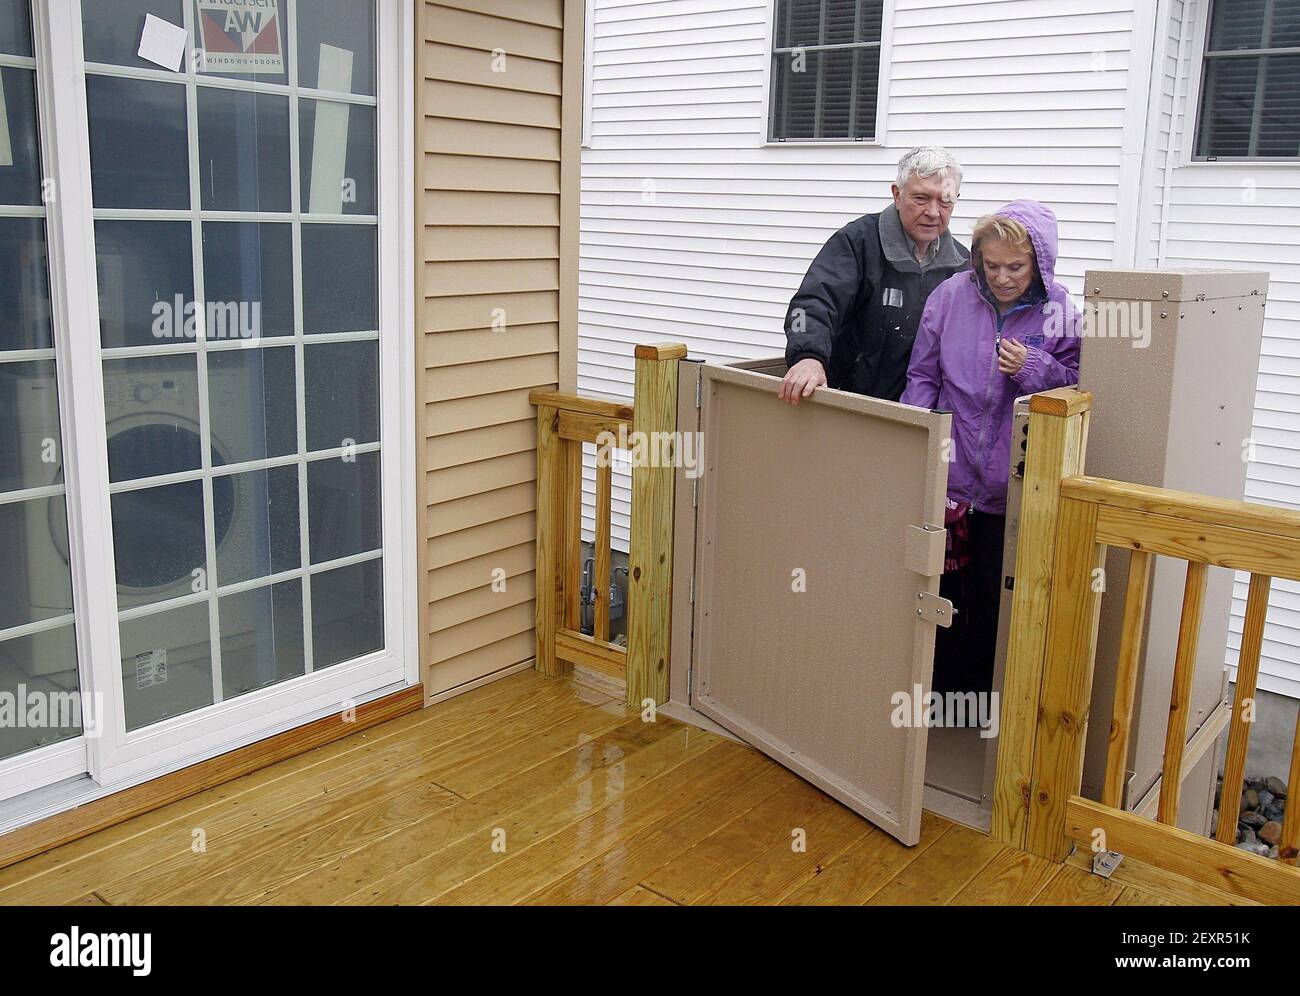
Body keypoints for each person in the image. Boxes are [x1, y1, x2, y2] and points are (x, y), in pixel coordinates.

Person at [901, 200, 1081, 696]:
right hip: (949, 481)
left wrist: (1032, 367)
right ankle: (933, 702)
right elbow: (922, 376)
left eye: (1016, 267)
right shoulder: (949, 297)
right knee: (938, 596)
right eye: (992, 264)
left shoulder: (1061, 311)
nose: (1002, 277)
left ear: (1039, 263)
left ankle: (979, 707)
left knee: (993, 600)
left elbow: (1076, 386)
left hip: (1012, 490)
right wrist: (920, 444)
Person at [778, 146, 971, 405]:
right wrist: (808, 357)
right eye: (921, 198)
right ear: (897, 194)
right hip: (847, 405)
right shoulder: (856, 242)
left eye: (945, 201)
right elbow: (808, 306)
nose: (934, 212)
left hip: (918, 416)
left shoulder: (963, 266)